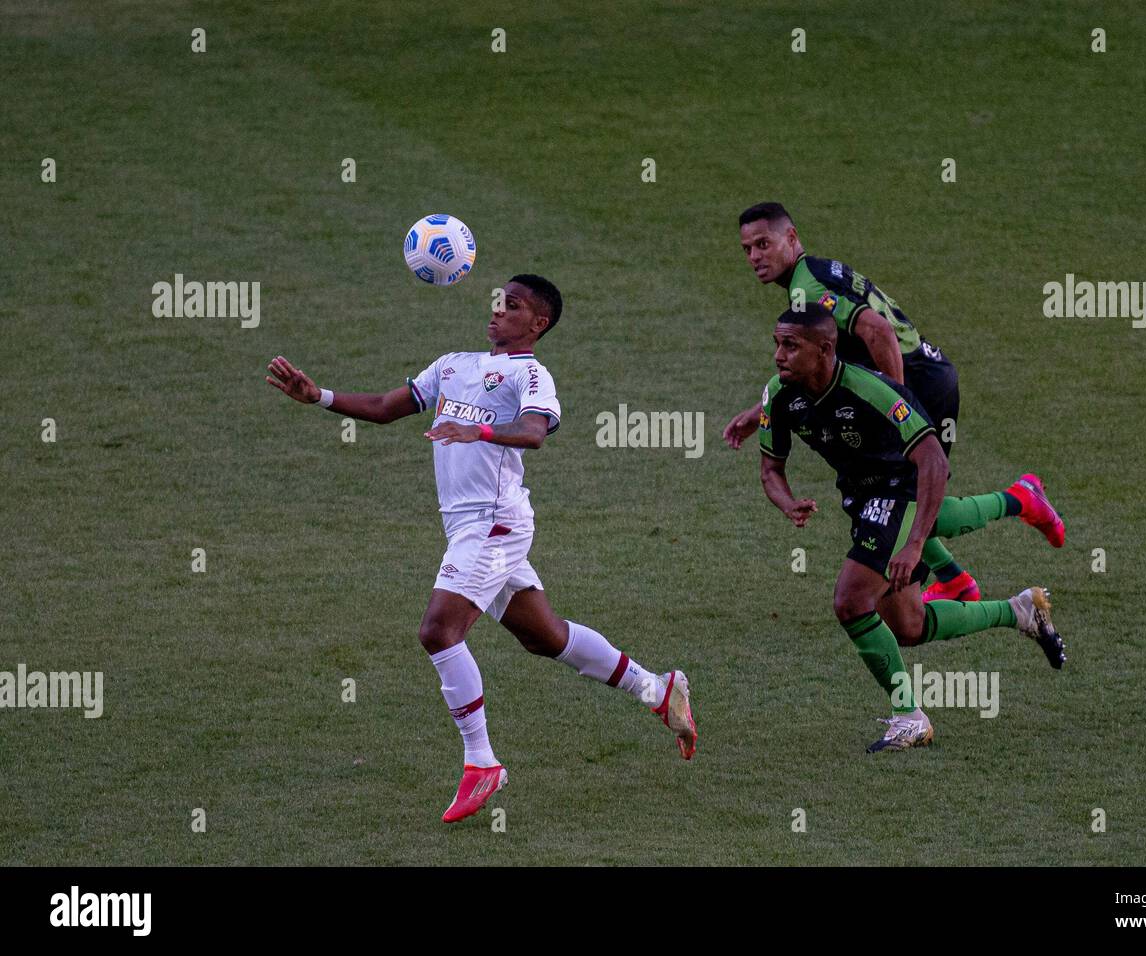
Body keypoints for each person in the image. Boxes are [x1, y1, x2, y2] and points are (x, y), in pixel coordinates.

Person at [265, 274, 697, 821]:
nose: (497, 312)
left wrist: (482, 433)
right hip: (468, 525)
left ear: (537, 324)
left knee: (438, 630)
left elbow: (537, 431)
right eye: (497, 302)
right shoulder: (452, 365)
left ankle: (481, 763)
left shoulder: (530, 373)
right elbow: (382, 405)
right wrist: (319, 396)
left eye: (511, 306)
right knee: (546, 638)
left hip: (495, 523)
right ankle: (657, 689)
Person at [756, 305, 1065, 752]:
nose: (778, 356)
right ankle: (1019, 608)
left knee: (851, 601)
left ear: (825, 349)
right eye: (776, 344)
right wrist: (787, 503)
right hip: (862, 499)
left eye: (790, 345)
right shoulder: (781, 395)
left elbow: (933, 460)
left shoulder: (870, 390)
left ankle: (908, 714)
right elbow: (771, 469)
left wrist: (916, 543)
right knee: (908, 626)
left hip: (902, 487)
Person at [726, 202, 1065, 603]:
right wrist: (759, 412)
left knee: (913, 501)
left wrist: (895, 405)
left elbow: (878, 331)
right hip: (922, 376)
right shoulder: (816, 272)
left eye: (763, 244)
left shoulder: (807, 290)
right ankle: (956, 578)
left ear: (792, 237)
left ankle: (1020, 499)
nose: (755, 257)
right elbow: (823, 362)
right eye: (747, 249)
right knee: (888, 499)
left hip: (918, 383)